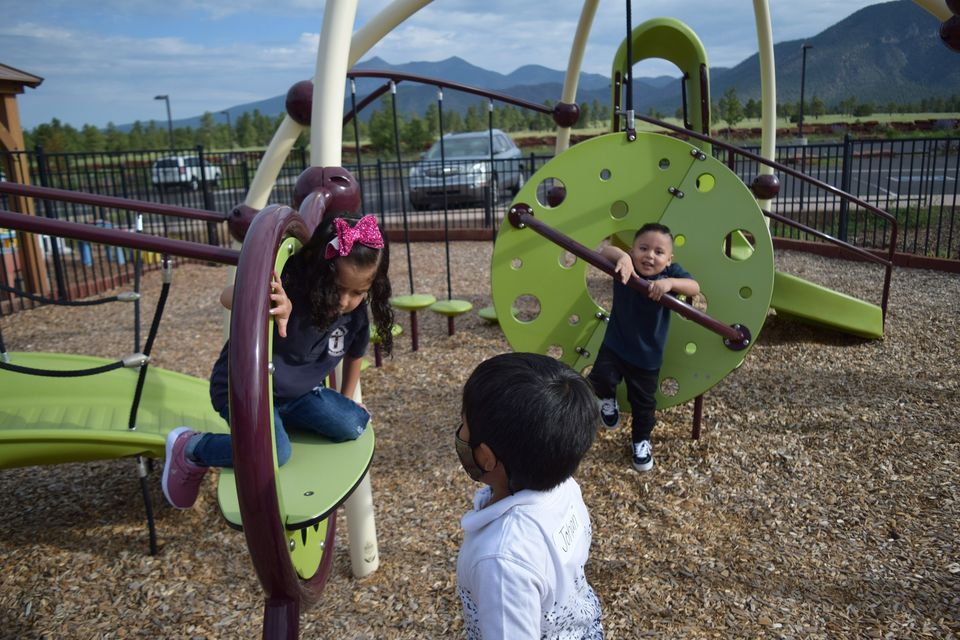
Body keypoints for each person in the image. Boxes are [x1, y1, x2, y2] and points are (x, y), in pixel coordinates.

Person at [162, 212, 395, 509]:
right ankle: (192, 448)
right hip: (247, 391)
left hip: (298, 394)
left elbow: (354, 354)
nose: (345, 301)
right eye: (339, 288)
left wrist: (346, 398)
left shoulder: (355, 315)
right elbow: (226, 297)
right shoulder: (293, 290)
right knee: (278, 454)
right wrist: (268, 302)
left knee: (354, 423)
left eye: (358, 292)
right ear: (322, 274)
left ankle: (280, 423)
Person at [456, 352, 604, 639]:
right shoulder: (565, 488)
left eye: (463, 424)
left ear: (487, 458)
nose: (460, 432)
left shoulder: (501, 561)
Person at [588, 222, 700, 472]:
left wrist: (670, 284)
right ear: (633, 249)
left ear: (669, 260)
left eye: (659, 252)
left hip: (647, 356)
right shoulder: (624, 269)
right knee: (600, 379)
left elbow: (694, 287)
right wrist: (623, 258)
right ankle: (608, 400)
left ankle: (641, 440)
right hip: (615, 344)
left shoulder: (667, 276)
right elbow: (605, 252)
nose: (650, 255)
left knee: (643, 405)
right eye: (643, 248)